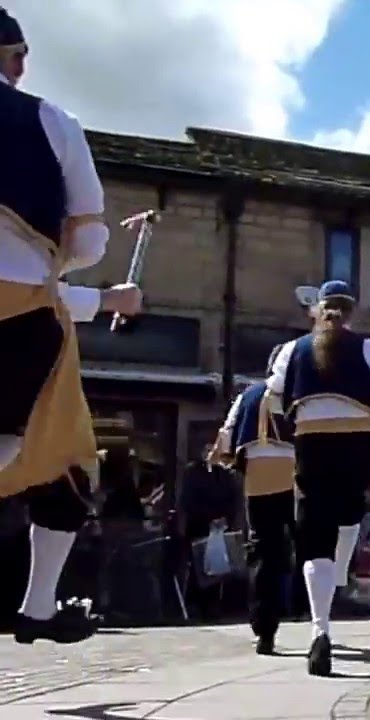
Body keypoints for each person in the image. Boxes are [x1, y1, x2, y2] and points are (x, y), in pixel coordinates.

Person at [0, 6, 143, 644]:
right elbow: (82, 247)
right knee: (62, 458)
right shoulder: (51, 123)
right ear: (15, 58)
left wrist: (105, 302)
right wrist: (107, 292)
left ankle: (36, 611)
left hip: (34, 304)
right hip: (22, 318)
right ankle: (36, 607)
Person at [267, 280, 370, 676]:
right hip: (354, 444)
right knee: (348, 516)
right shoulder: (367, 347)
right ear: (350, 311)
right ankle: (338, 573)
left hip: (311, 445)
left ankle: (319, 630)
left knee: (314, 539)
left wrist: (297, 417)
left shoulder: (294, 349)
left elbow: (273, 396)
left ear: (318, 310)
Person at [210, 344, 296, 655]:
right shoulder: (299, 394)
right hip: (298, 478)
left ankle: (265, 630)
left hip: (259, 480)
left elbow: (227, 436)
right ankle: (316, 620)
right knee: (310, 549)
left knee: (264, 555)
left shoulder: (248, 395)